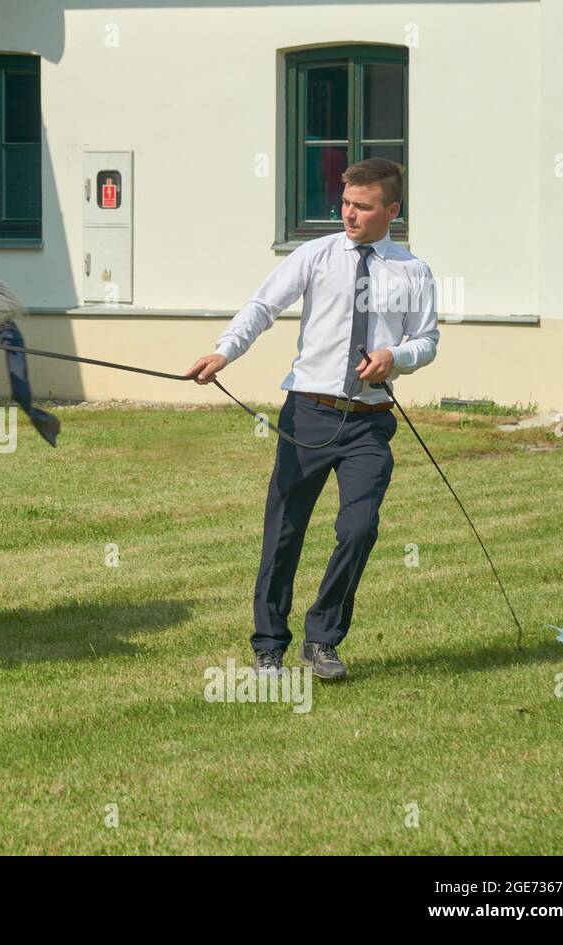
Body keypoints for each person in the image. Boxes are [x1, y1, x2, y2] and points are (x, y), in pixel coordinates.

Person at [186, 158, 438, 680]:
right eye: (345, 203)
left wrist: (397, 357)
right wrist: (224, 353)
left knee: (359, 529)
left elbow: (427, 341)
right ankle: (268, 647)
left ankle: (323, 637)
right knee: (284, 533)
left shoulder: (413, 271)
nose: (349, 214)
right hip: (308, 416)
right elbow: (262, 307)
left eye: (362, 207)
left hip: (370, 422)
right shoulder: (315, 255)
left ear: (391, 209)